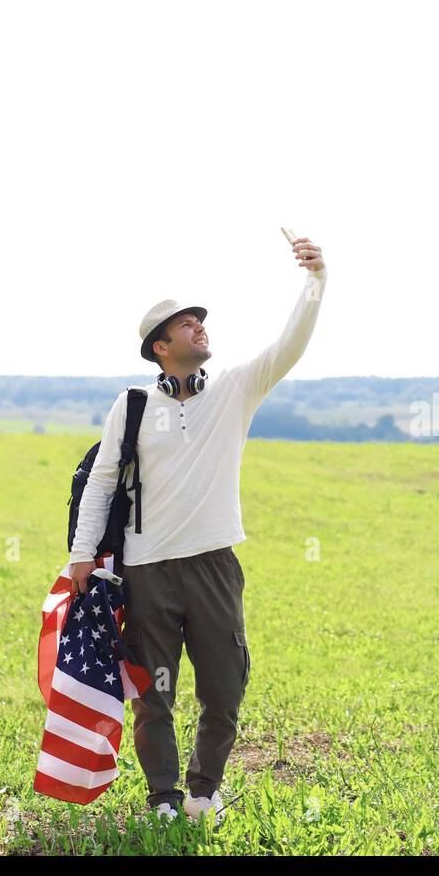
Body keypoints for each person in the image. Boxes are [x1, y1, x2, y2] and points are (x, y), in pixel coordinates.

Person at [66, 236, 327, 822]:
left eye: (200, 322)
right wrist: (83, 556)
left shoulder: (237, 388)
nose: (199, 329)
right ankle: (163, 797)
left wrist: (316, 280)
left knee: (224, 687)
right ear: (161, 346)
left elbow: (291, 345)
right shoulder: (131, 403)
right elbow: (103, 481)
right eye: (186, 325)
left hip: (214, 566)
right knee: (154, 693)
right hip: (148, 569)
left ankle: (205, 791)